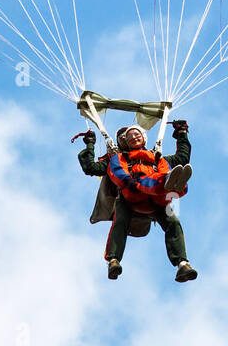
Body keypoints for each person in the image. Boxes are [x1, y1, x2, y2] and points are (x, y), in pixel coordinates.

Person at [77, 119, 197, 282]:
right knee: (120, 221)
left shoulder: (157, 158)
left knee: (173, 221)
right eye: (128, 136)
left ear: (144, 138)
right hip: (132, 195)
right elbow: (91, 167)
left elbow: (182, 158)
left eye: (136, 133)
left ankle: (182, 264)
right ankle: (114, 260)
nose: (133, 137)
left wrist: (181, 134)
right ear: (123, 142)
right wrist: (90, 144)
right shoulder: (119, 158)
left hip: (157, 200)